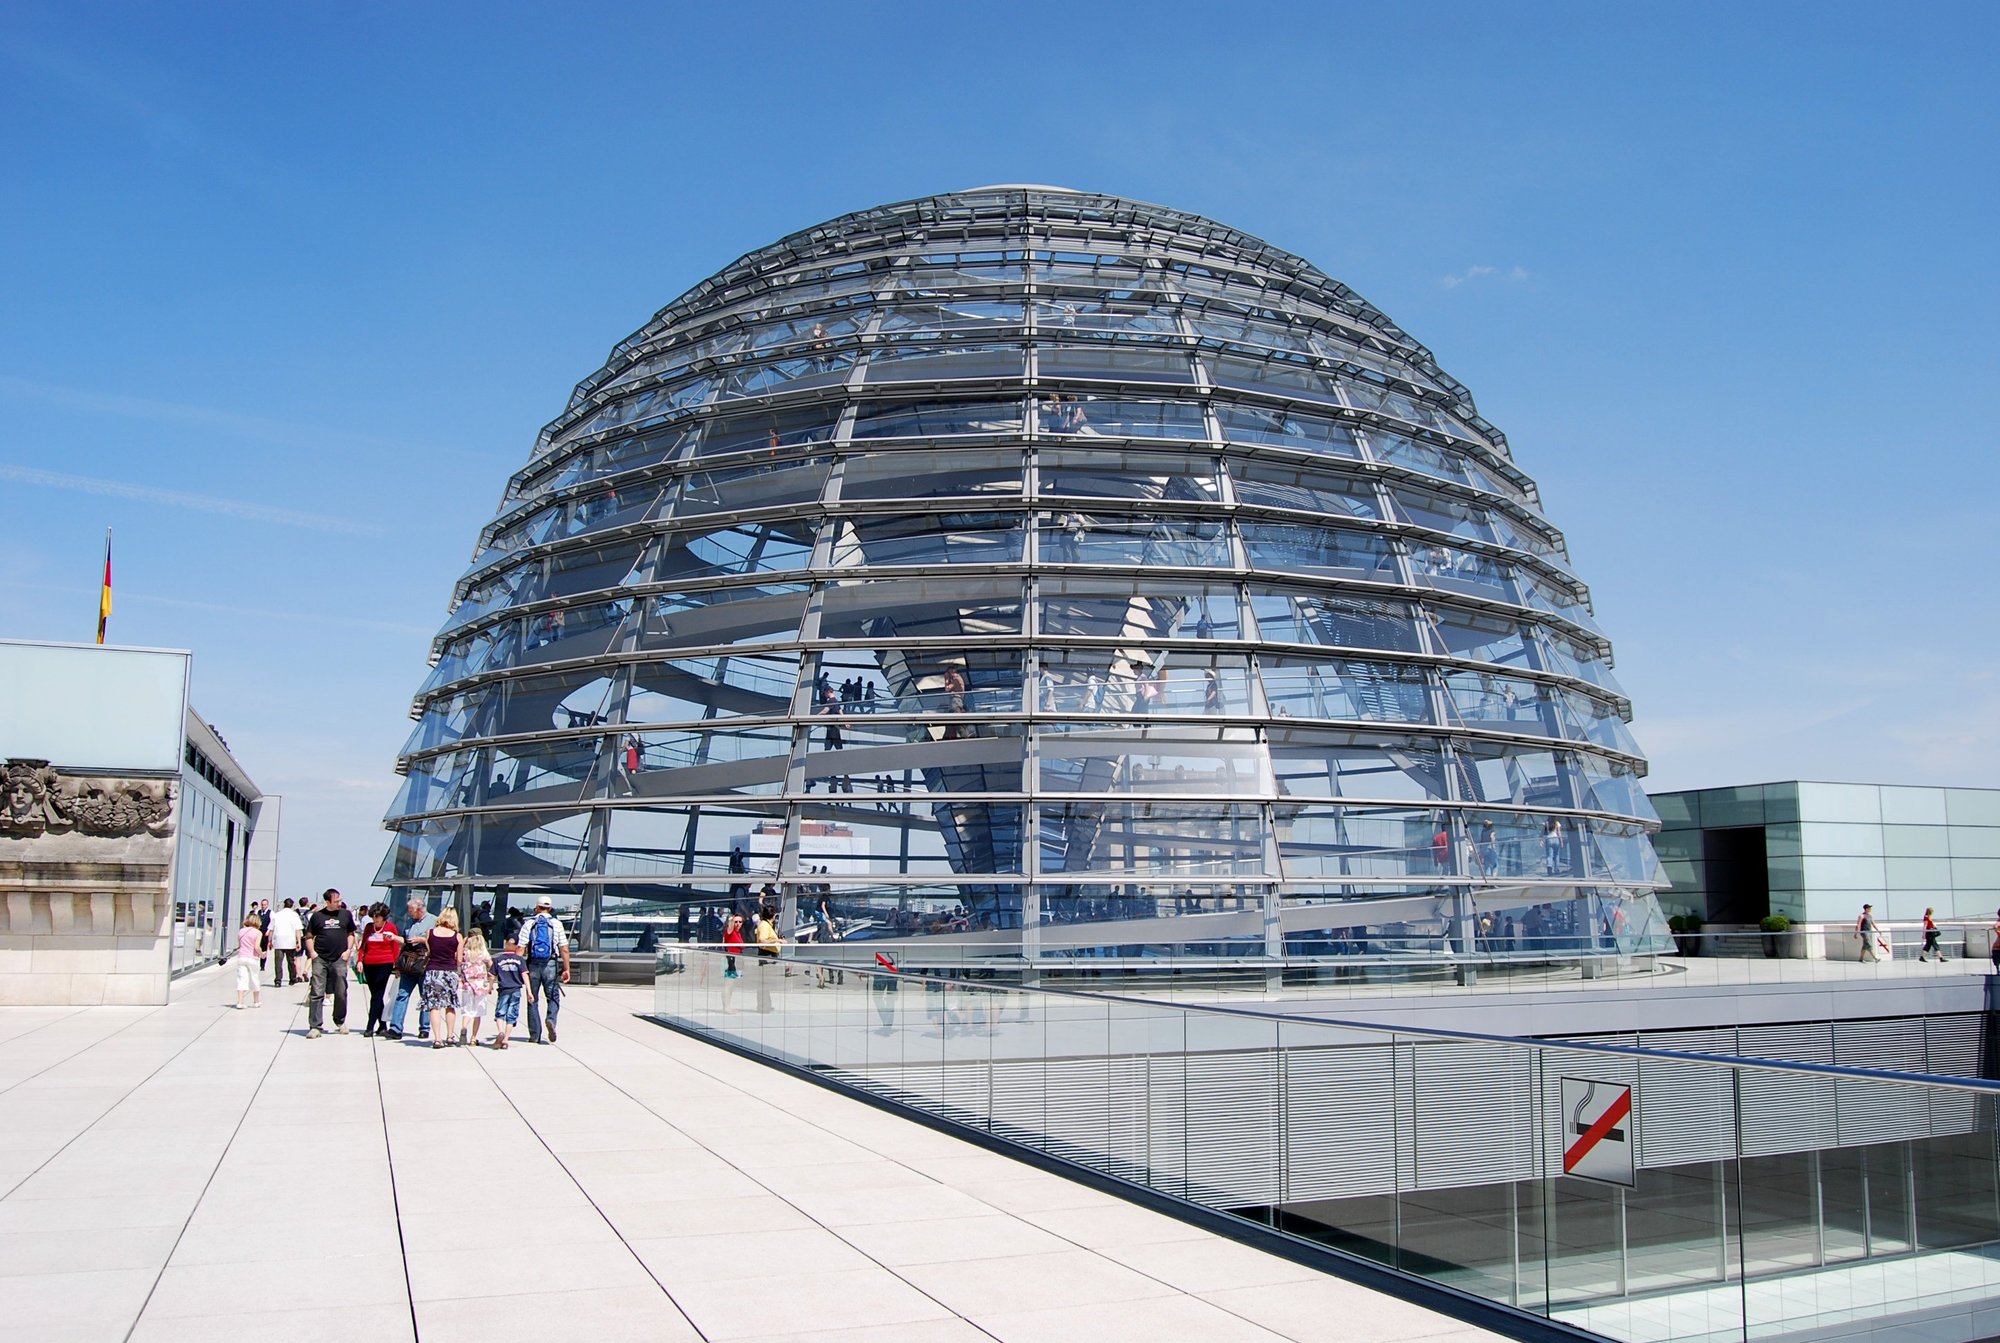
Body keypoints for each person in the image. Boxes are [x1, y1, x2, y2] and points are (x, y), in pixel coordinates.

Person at [303, 888, 357, 1039]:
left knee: (340, 990)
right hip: (320, 958)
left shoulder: (346, 915)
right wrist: (312, 952)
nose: (339, 903)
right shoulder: (317, 916)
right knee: (317, 991)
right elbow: (308, 936)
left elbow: (351, 934)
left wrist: (348, 950)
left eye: (340, 900)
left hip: (339, 958)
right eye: (336, 901)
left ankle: (340, 1021)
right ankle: (315, 1026)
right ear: (327, 902)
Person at [521, 896, 571, 1045]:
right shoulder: (556, 924)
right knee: (553, 997)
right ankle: (551, 1019)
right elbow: (564, 948)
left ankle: (534, 1035)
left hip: (533, 964)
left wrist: (518, 969)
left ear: (536, 908)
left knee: (532, 999)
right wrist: (566, 968)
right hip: (550, 963)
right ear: (550, 908)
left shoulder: (529, 923)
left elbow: (520, 948)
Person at [386, 897, 437, 1040]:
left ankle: (424, 1028)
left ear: (420, 909)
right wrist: (394, 937)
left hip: (423, 962)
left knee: (425, 996)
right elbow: (404, 939)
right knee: (402, 994)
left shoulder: (434, 921)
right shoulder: (409, 922)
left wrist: (422, 940)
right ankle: (395, 1028)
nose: (409, 914)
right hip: (409, 962)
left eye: (411, 911)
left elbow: (437, 941)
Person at [358, 903, 402, 1038]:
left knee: (378, 994)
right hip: (369, 963)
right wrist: (360, 960)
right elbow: (363, 945)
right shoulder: (369, 928)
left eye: (378, 917)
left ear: (384, 917)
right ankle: (382, 1025)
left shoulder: (390, 928)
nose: (375, 920)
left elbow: (395, 947)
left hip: (385, 963)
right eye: (374, 917)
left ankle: (370, 1026)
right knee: (375, 996)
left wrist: (397, 965)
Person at [422, 908, 464, 1049]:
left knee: (434, 1006)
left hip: (433, 971)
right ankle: (450, 1036)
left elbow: (429, 951)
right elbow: (459, 959)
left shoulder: (430, 933)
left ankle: (437, 1038)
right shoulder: (457, 937)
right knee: (450, 1005)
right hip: (449, 972)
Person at [460, 928, 495, 1045]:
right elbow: (491, 965)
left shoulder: (465, 952)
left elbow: (458, 960)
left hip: (467, 984)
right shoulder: (483, 952)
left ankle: (464, 1027)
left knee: (467, 1010)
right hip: (480, 984)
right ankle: (473, 1038)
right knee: (478, 1012)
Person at [490, 936, 526, 1048]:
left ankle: (500, 1031)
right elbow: (525, 975)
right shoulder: (520, 960)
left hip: (503, 989)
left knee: (500, 1012)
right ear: (516, 946)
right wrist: (529, 991)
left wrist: (490, 987)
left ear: (505, 944)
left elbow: (491, 975)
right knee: (511, 1015)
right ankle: (505, 1039)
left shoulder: (499, 959)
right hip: (515, 989)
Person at [268, 898, 303, 987]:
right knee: (291, 961)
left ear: (284, 904)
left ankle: (278, 980)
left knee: (278, 961)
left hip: (278, 940)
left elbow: (271, 929)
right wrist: (299, 942)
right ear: (292, 905)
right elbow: (297, 929)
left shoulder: (277, 915)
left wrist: (270, 941)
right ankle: (292, 978)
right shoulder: (294, 915)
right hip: (290, 940)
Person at [232, 913, 263, 1010]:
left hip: (242, 957)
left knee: (242, 979)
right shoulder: (258, 933)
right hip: (253, 958)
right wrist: (262, 954)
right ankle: (256, 1001)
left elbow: (240, 945)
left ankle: (240, 1002)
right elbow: (257, 947)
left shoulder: (241, 931)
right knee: (254, 978)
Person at [721, 912, 744, 979]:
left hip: (737, 961)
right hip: (730, 961)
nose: (738, 924)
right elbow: (730, 928)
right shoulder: (730, 931)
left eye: (740, 922)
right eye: (736, 922)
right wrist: (731, 919)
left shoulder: (738, 933)